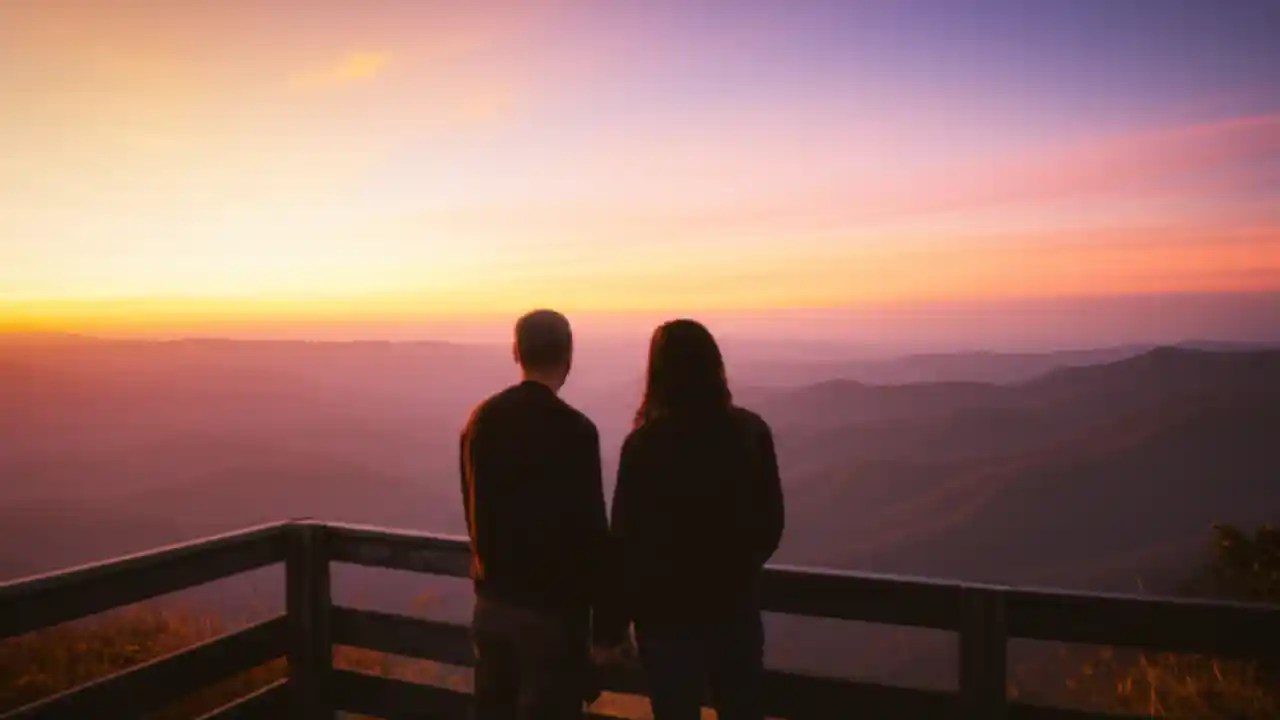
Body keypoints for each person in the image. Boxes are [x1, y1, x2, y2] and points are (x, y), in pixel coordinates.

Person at [593, 319, 785, 720]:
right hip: (734, 610)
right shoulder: (750, 432)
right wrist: (739, 567)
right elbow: (772, 522)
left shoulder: (644, 446)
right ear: (715, 365)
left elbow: (625, 541)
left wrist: (611, 629)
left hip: (665, 619)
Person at [460, 309, 608, 719]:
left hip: (492, 608)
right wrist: (608, 628)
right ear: (569, 356)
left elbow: (470, 506)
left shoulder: (480, 421)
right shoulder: (576, 431)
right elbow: (592, 532)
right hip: (553, 618)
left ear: (516, 352)